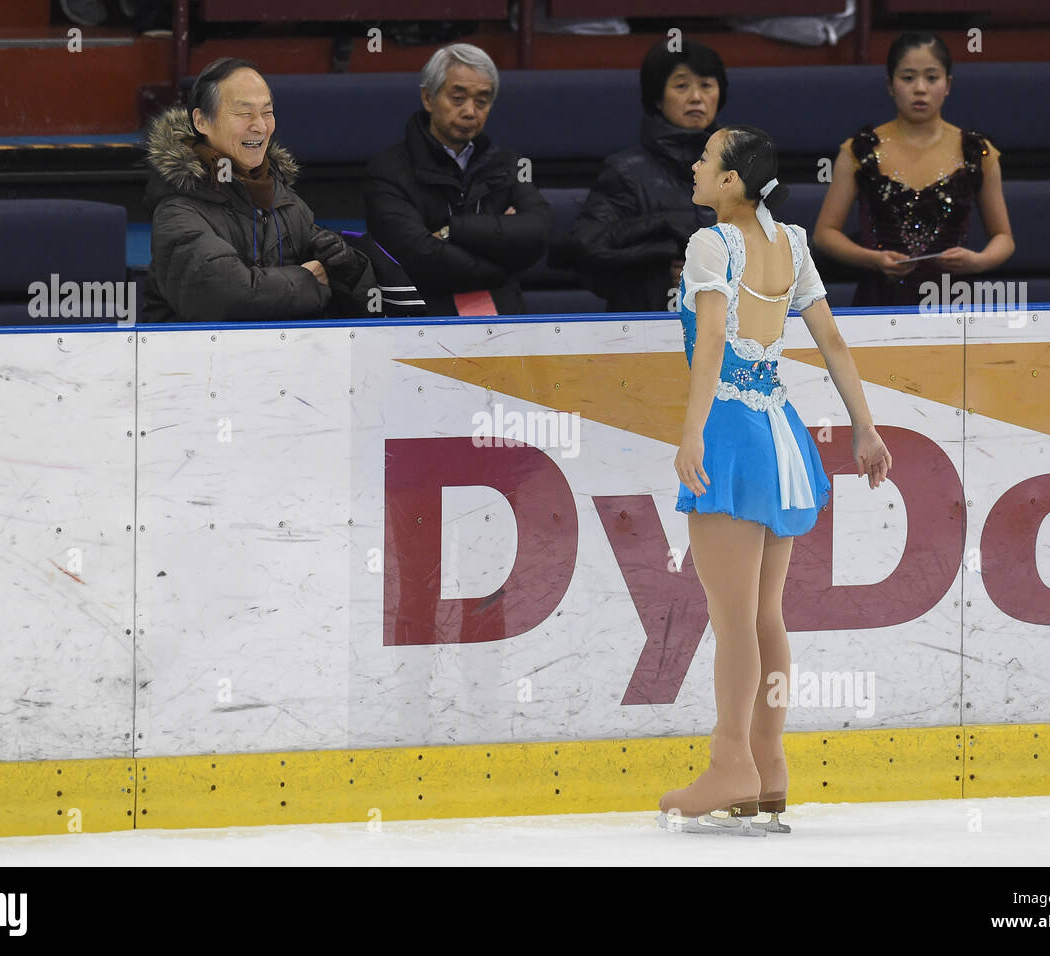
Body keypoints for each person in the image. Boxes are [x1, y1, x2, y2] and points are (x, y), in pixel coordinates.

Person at [661, 125, 892, 834]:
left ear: (731, 180)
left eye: (705, 160)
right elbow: (834, 341)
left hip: (732, 435)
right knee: (765, 617)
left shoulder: (712, 244)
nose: (696, 168)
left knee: (734, 623)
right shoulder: (791, 242)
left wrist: (693, 432)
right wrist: (865, 426)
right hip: (782, 436)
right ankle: (769, 765)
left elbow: (707, 354)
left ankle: (731, 760)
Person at [142, 57, 375, 322]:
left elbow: (362, 307)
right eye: (244, 113)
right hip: (193, 361)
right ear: (202, 121)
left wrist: (349, 271)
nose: (260, 126)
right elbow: (224, 299)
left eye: (267, 112)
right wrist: (310, 281)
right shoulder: (176, 211)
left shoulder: (285, 201)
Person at [813, 31, 1014, 307]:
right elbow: (825, 234)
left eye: (932, 78)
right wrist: (872, 259)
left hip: (953, 302)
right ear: (890, 85)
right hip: (880, 300)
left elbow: (1003, 237)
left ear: (948, 85)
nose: (920, 88)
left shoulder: (978, 152)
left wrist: (978, 261)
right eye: (908, 78)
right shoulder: (860, 151)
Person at [363, 43, 552, 316]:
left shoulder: (508, 165)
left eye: (482, 101)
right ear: (428, 98)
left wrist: (453, 232)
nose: (470, 112)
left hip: (506, 317)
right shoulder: (387, 171)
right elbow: (417, 257)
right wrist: (502, 266)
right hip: (422, 322)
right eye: (458, 98)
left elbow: (538, 232)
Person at [553, 39, 726, 313]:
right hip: (645, 327)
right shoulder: (626, 171)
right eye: (681, 86)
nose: (696, 97)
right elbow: (581, 249)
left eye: (706, 85)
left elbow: (770, 253)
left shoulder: (739, 168)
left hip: (732, 327)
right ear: (657, 98)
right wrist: (659, 263)